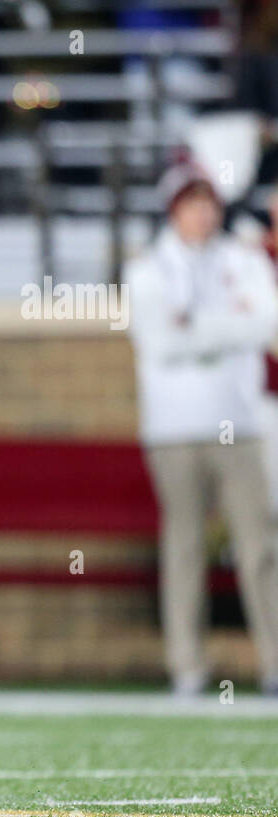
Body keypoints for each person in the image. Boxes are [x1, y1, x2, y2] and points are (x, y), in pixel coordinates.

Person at [125, 162, 278, 696]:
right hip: (173, 428)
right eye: (192, 202)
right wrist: (230, 329)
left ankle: (274, 662)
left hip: (239, 421)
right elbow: (161, 345)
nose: (204, 212)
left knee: (259, 544)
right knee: (184, 546)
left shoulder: (243, 258)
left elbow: (269, 324)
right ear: (173, 209)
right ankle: (187, 666)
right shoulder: (148, 270)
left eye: (209, 201)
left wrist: (200, 327)